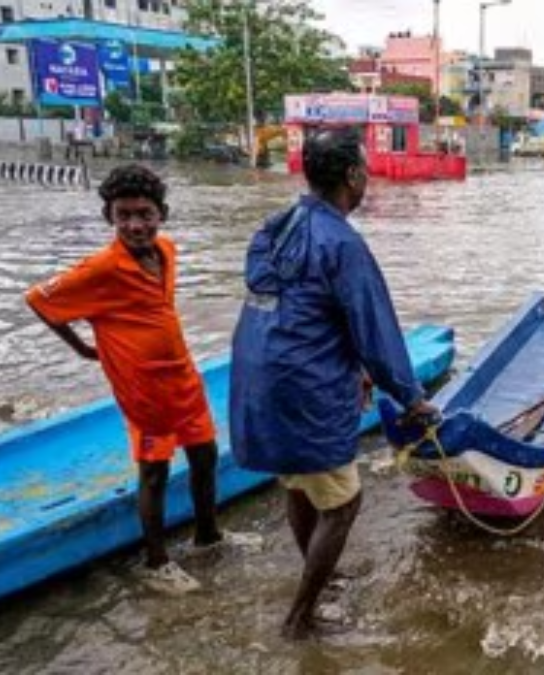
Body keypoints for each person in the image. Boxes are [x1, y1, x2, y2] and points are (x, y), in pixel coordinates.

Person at [229, 130, 440, 640]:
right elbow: (376, 330)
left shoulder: (277, 226)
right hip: (306, 387)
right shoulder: (343, 243)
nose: (368, 178)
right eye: (365, 169)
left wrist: (357, 369)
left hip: (257, 376)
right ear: (351, 176)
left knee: (301, 484)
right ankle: (300, 619)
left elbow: (294, 306)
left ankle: (318, 574)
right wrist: (412, 399)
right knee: (344, 504)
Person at [25, 165, 260, 595]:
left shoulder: (166, 251)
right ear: (110, 218)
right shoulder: (101, 267)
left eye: (144, 214)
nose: (135, 224)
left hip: (182, 376)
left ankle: (208, 537)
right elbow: (39, 299)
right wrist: (81, 348)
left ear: (162, 214)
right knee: (154, 471)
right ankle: (157, 563)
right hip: (143, 388)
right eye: (124, 215)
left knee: (205, 454)